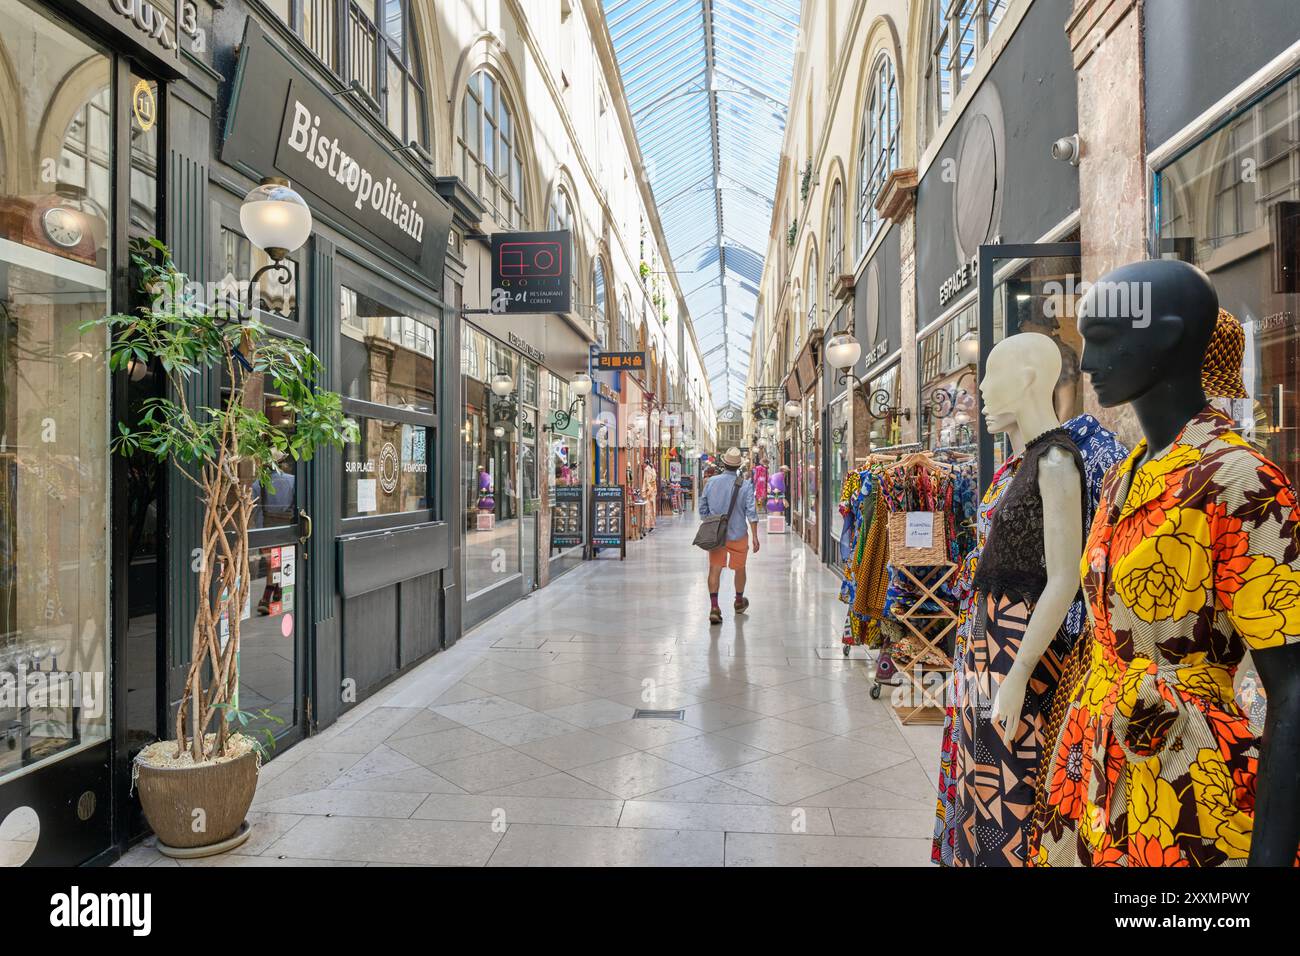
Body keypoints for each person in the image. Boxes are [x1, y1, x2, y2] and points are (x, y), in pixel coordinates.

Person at [698, 447, 759, 625]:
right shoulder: (745, 484)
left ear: (723, 463)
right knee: (740, 569)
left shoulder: (711, 482)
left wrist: (713, 520)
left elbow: (703, 509)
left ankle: (715, 607)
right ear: (739, 466)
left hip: (717, 535)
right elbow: (752, 512)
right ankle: (739, 601)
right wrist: (755, 536)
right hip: (738, 534)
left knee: (714, 569)